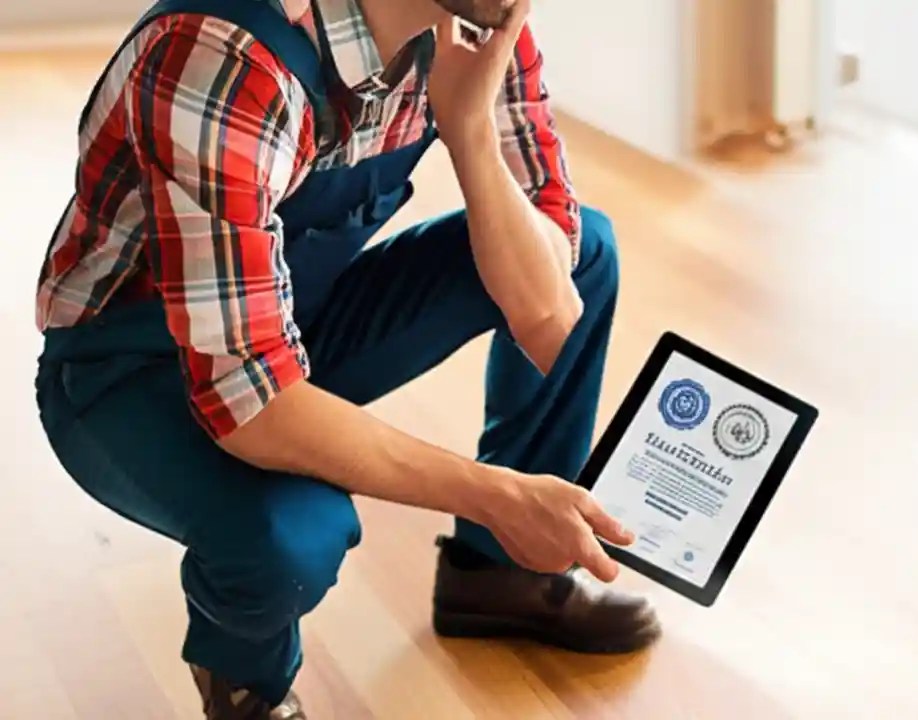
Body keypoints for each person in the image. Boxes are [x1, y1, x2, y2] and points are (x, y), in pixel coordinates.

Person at [33, 0, 661, 716]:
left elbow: (550, 313)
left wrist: (469, 130)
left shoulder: (484, 18)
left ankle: (499, 576)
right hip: (131, 370)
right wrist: (497, 493)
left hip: (289, 322)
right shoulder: (226, 57)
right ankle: (245, 686)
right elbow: (253, 406)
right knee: (292, 534)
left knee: (586, 251)